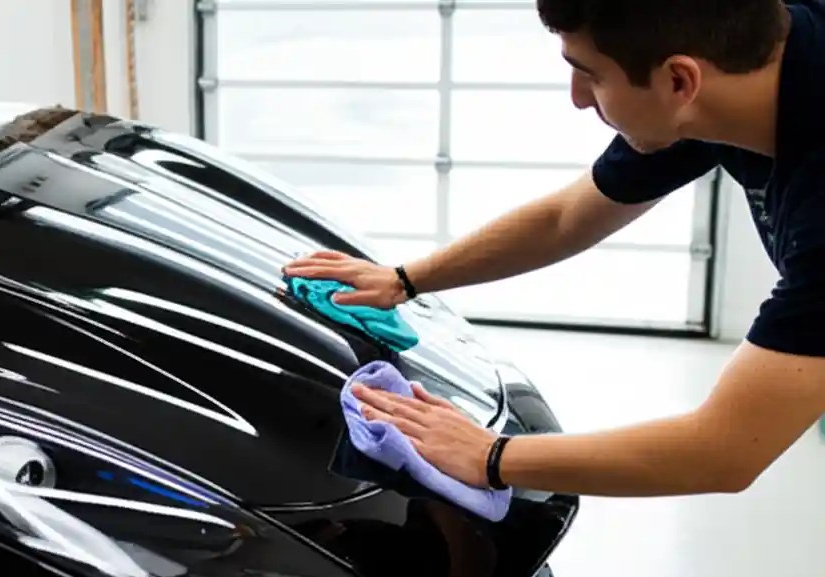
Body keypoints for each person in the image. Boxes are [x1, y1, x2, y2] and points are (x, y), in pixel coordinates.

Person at [283, 0, 825, 498]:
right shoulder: (749, 61)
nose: (577, 97)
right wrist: (405, 279)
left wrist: (490, 456)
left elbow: (722, 452)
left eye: (589, 74)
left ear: (680, 81)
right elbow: (568, 218)